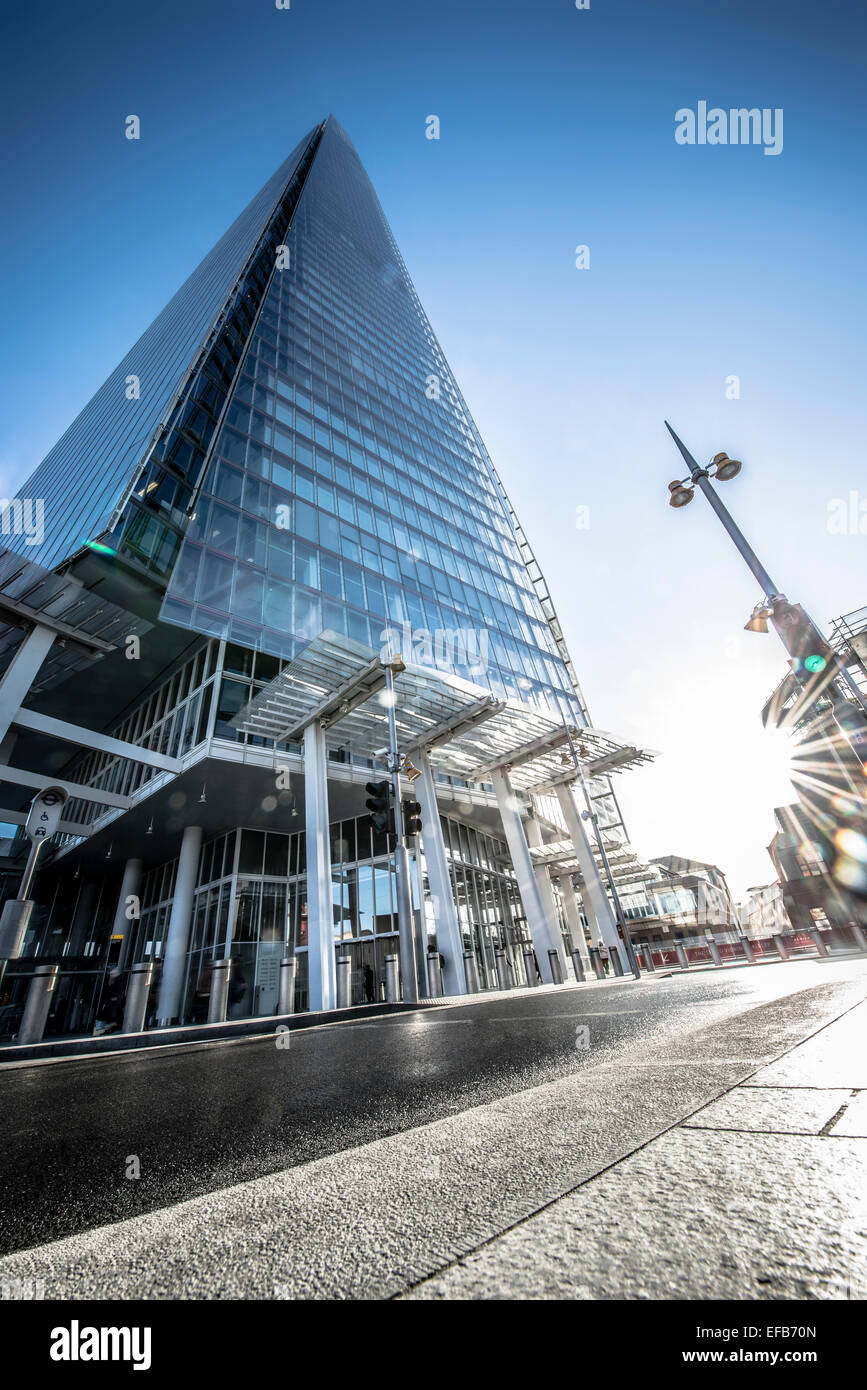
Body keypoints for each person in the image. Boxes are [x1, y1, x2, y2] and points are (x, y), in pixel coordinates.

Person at [93, 968, 125, 1036]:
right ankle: (103, 1029)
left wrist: (114, 998)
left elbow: (117, 992)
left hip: (112, 1003)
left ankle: (103, 1030)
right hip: (111, 1003)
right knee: (106, 1016)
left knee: (108, 1017)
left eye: (112, 974)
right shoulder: (113, 981)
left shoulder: (117, 982)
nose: (111, 975)